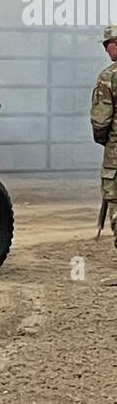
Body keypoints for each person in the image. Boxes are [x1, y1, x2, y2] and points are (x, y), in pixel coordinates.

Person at [90, 24, 117, 249]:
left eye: (106, 45)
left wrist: (103, 139)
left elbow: (100, 121)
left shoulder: (109, 77)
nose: (106, 51)